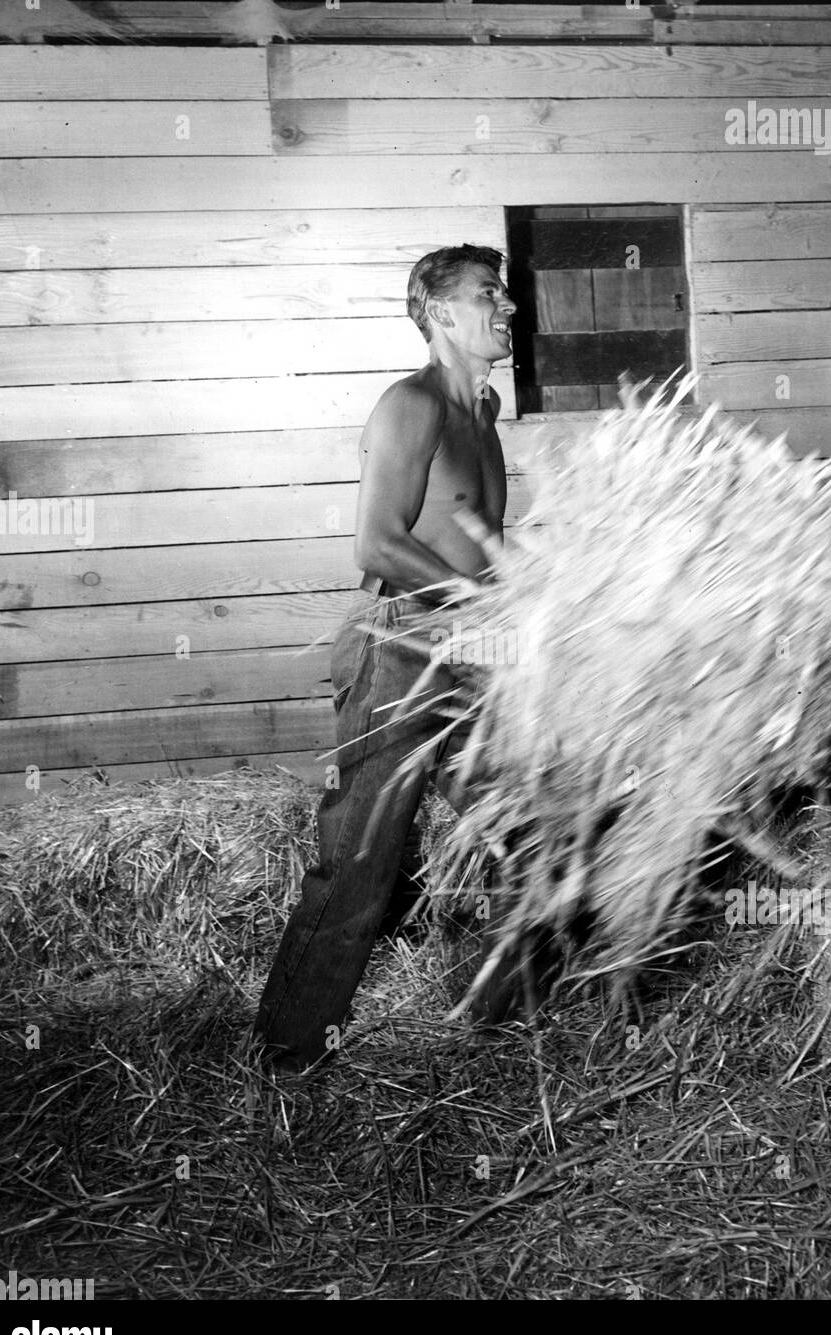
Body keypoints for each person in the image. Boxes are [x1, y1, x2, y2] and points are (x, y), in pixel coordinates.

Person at [254, 244, 524, 1070]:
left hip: (470, 649)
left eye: (505, 291)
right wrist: (479, 604)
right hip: (400, 645)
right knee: (360, 863)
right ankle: (288, 1056)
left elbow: (478, 546)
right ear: (441, 313)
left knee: (527, 830)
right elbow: (377, 542)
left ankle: (500, 1024)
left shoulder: (483, 417)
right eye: (489, 293)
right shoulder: (411, 405)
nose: (508, 305)